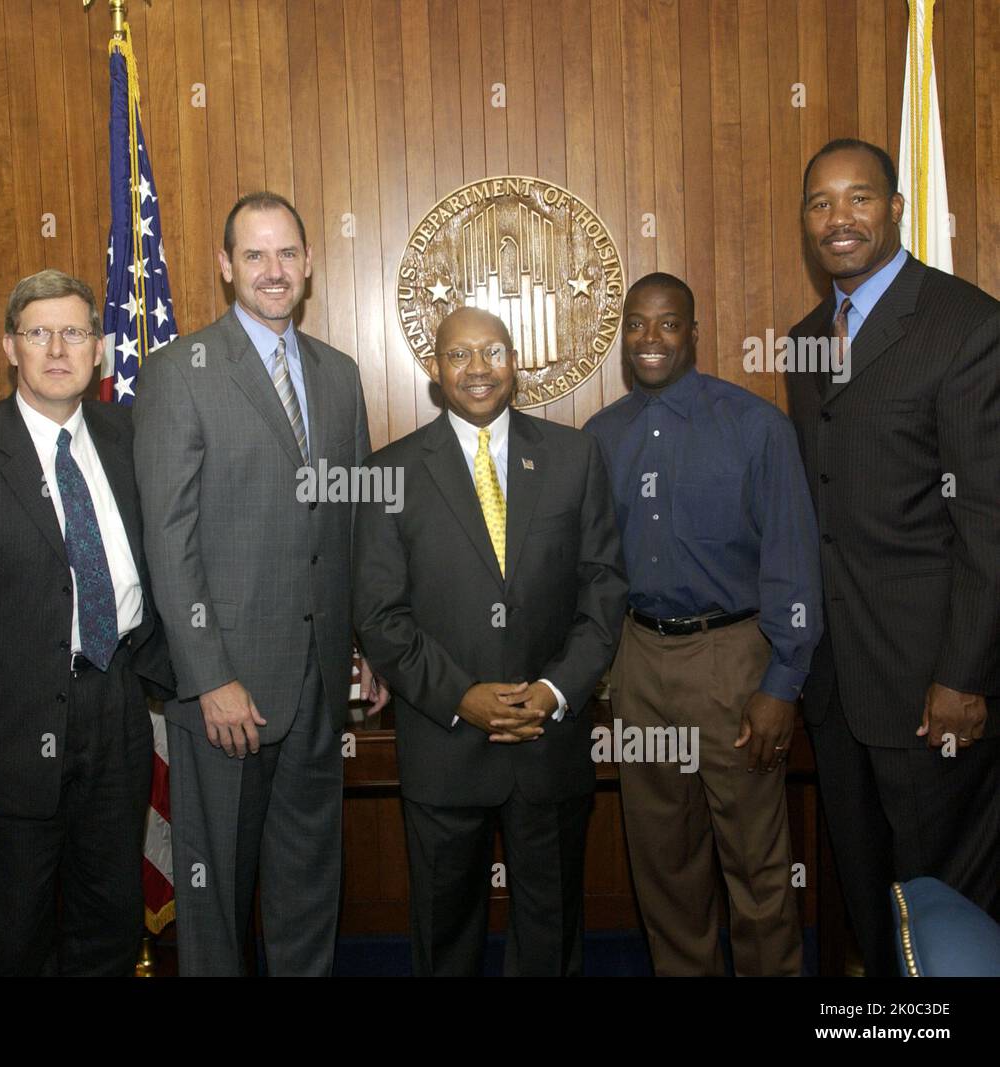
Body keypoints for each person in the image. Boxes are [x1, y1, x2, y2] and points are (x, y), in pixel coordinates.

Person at [133, 192, 387, 976]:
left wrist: (366, 642)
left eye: (286, 255)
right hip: (226, 692)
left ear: (309, 265)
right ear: (225, 266)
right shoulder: (181, 372)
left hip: (317, 680)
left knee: (308, 885)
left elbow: (355, 521)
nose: (272, 271)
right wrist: (211, 678)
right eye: (254, 255)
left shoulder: (339, 375)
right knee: (217, 899)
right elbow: (168, 542)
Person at [353, 306, 626, 976]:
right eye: (458, 355)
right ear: (433, 370)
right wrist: (461, 696)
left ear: (514, 362)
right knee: (445, 938)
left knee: (551, 933)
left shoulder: (574, 455)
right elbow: (379, 616)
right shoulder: (387, 473)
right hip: (445, 747)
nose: (477, 369)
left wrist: (556, 690)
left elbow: (604, 589)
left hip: (549, 742)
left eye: (493, 351)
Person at [785, 139, 1000, 975]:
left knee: (945, 908)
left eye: (859, 198)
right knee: (871, 899)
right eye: (820, 204)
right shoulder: (807, 340)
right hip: (837, 684)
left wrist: (965, 675)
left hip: (931, 687)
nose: (840, 219)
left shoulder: (966, 324)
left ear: (897, 208)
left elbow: (988, 520)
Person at [0, 269, 175, 975]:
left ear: (99, 349)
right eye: (39, 333)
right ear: (10, 346)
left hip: (118, 704)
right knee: (17, 930)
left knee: (111, 919)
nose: (58, 348)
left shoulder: (133, 438)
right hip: (8, 728)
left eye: (74, 332)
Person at [583, 273, 822, 976]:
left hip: (734, 661)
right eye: (636, 325)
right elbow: (593, 569)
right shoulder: (601, 436)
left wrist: (783, 680)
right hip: (641, 662)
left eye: (667, 324)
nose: (649, 339)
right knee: (665, 866)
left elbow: (793, 562)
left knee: (755, 864)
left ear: (694, 332)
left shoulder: (756, 428)